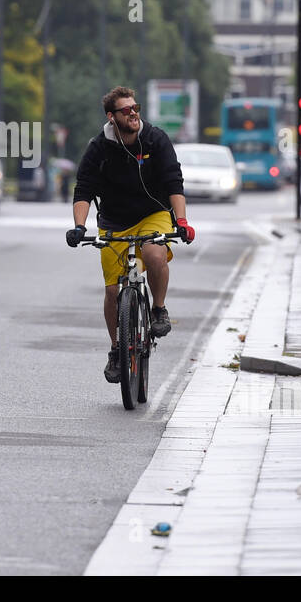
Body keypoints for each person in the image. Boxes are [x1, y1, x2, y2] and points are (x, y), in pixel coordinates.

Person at [68, 87, 195, 383]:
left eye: (135, 107)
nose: (134, 113)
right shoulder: (98, 147)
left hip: (154, 214)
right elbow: (83, 189)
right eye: (126, 110)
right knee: (113, 291)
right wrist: (78, 226)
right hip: (114, 221)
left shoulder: (155, 139)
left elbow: (174, 182)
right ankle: (116, 349)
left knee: (153, 253)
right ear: (111, 117)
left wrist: (183, 220)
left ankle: (158, 309)